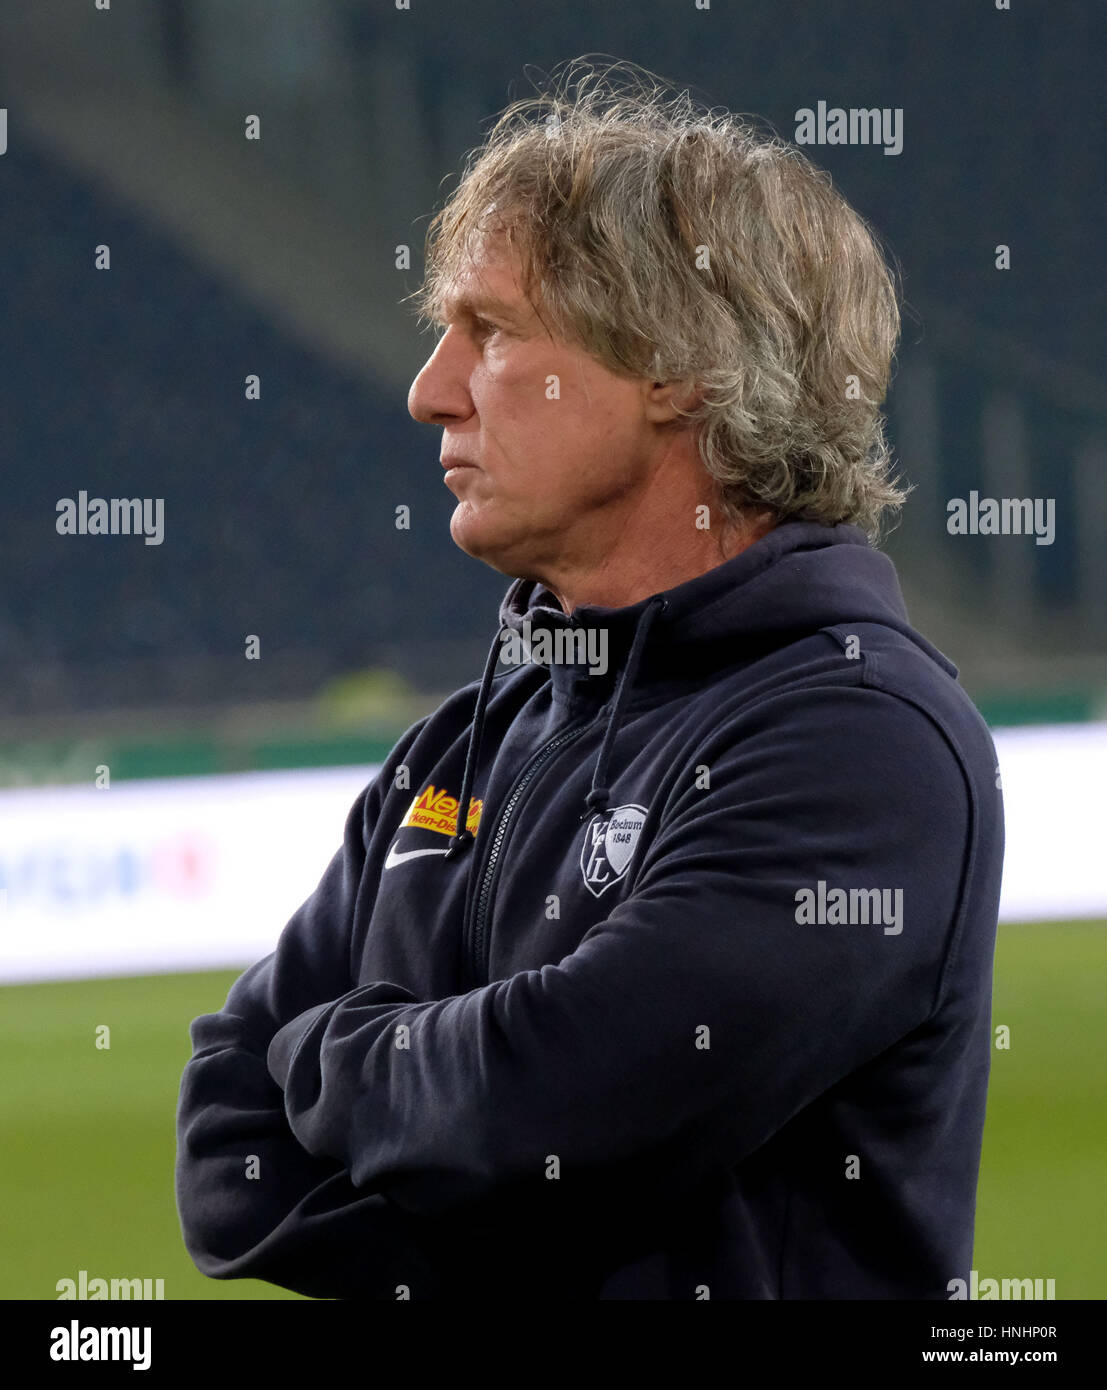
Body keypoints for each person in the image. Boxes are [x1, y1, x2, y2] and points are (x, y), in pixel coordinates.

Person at [175, 61, 1004, 1300]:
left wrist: (336, 1060)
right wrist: (446, 1125)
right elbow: (226, 1147)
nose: (429, 392)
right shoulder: (460, 747)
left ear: (674, 364)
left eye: (492, 332)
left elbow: (553, 1112)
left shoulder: (860, 743)